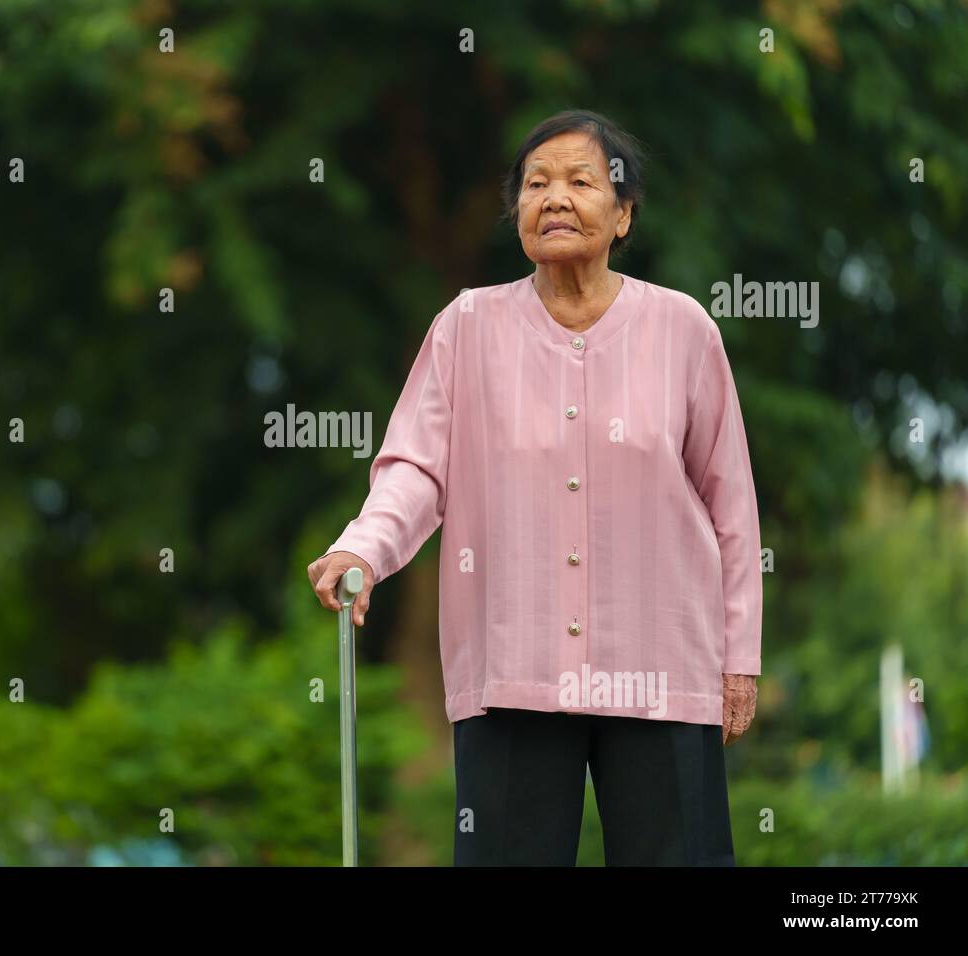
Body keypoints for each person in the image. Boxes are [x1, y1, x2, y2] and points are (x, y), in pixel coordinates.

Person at [306, 109, 762, 866]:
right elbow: (415, 468)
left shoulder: (684, 331)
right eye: (536, 184)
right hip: (512, 669)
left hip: (661, 669)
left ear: (623, 214)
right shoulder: (467, 327)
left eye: (581, 181)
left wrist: (738, 656)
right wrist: (363, 549)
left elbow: (732, 508)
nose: (554, 197)